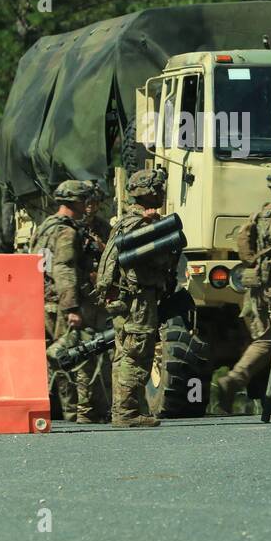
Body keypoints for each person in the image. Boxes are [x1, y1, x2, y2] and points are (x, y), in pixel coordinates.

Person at [213, 167, 271, 418]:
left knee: (265, 340)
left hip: (258, 288)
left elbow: (244, 248)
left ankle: (234, 379)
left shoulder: (259, 214)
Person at [96, 169, 178, 428]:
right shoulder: (142, 226)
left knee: (123, 353)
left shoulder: (123, 222)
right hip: (139, 299)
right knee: (137, 352)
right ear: (152, 193)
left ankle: (123, 409)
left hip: (124, 298)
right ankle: (127, 413)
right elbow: (159, 260)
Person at [33, 180, 94, 421]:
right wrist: (71, 308)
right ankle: (70, 414)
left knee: (49, 358)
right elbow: (64, 268)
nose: (86, 206)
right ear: (76, 202)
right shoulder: (67, 231)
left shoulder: (45, 226)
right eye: (84, 201)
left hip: (42, 298)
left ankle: (46, 409)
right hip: (58, 302)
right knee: (65, 358)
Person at [73, 182, 112, 423]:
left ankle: (102, 407)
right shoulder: (71, 229)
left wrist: (101, 246)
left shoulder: (103, 228)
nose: (91, 208)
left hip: (101, 298)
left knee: (105, 355)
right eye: (87, 203)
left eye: (95, 203)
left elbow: (113, 255)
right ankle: (83, 410)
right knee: (83, 356)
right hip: (81, 298)